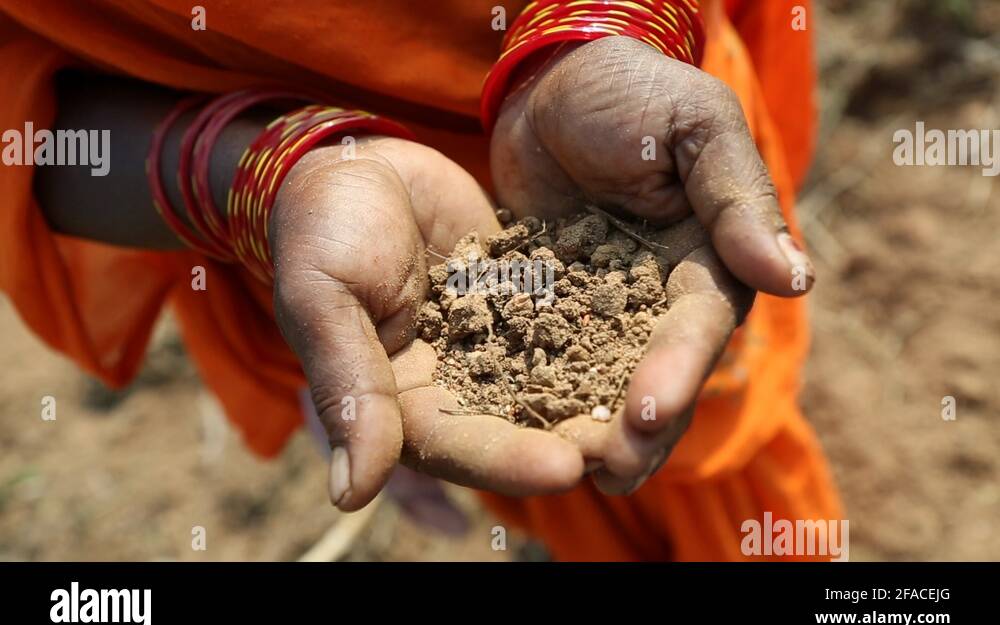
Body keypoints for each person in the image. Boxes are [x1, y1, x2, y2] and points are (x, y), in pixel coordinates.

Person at [0, 0, 842, 560]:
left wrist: (603, 29)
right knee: (552, 469)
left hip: (631, 169)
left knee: (708, 439)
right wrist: (264, 176)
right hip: (343, 245)